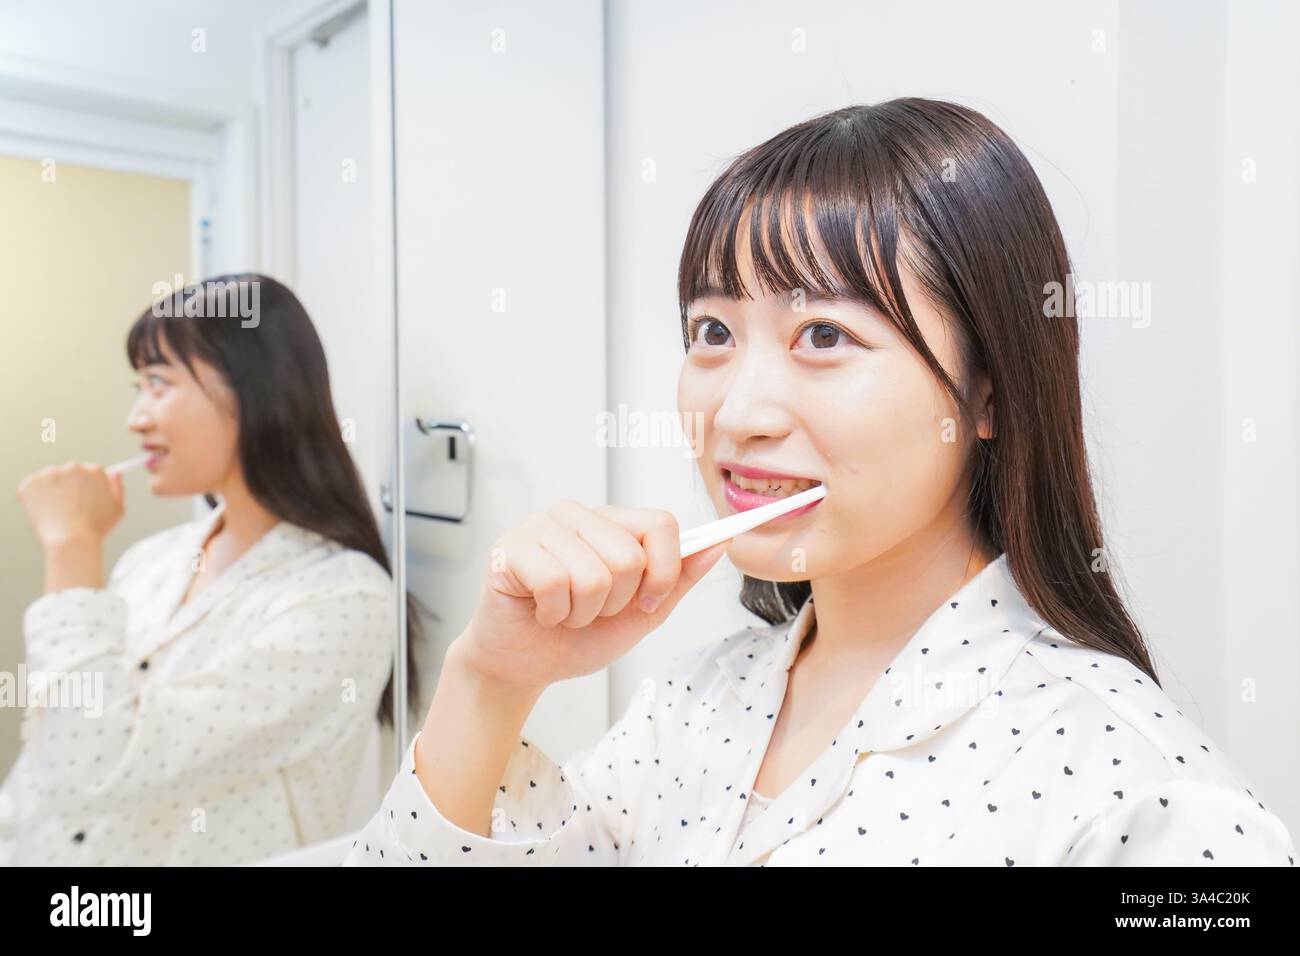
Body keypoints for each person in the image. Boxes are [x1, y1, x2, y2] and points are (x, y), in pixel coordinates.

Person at [345, 100, 1296, 866]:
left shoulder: (1137, 794)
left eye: (825, 337)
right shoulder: (695, 704)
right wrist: (490, 679)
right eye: (713, 333)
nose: (739, 411)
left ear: (989, 392)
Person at [0, 275, 416, 866]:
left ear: (255, 392)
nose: (136, 418)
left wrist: (71, 546)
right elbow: (46, 759)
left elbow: (91, 763)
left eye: (157, 385)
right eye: (138, 386)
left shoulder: (342, 600)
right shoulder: (154, 559)